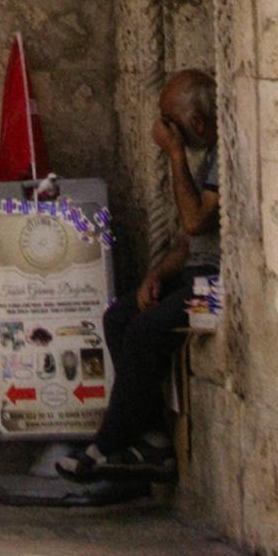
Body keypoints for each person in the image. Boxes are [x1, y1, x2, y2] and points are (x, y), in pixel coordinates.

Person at [70, 69, 218, 496]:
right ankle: (153, 441)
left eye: (170, 122)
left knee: (146, 331)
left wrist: (173, 155)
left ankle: (105, 444)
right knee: (120, 317)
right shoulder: (205, 159)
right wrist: (156, 274)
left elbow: (195, 218)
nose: (165, 130)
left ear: (197, 124)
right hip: (192, 275)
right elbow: (188, 240)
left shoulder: (222, 156)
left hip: (216, 286)